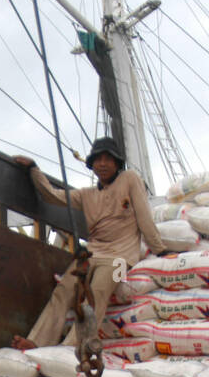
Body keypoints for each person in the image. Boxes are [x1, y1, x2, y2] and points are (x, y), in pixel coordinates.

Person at [10, 137, 168, 350]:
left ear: (117, 163)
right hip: (92, 254)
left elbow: (144, 217)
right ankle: (37, 341)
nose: (102, 164)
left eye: (108, 159)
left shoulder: (130, 179)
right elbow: (52, 196)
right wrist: (34, 169)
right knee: (63, 290)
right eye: (97, 160)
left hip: (122, 259)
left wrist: (160, 250)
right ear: (91, 164)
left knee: (98, 292)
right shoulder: (86, 195)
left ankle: (72, 346)